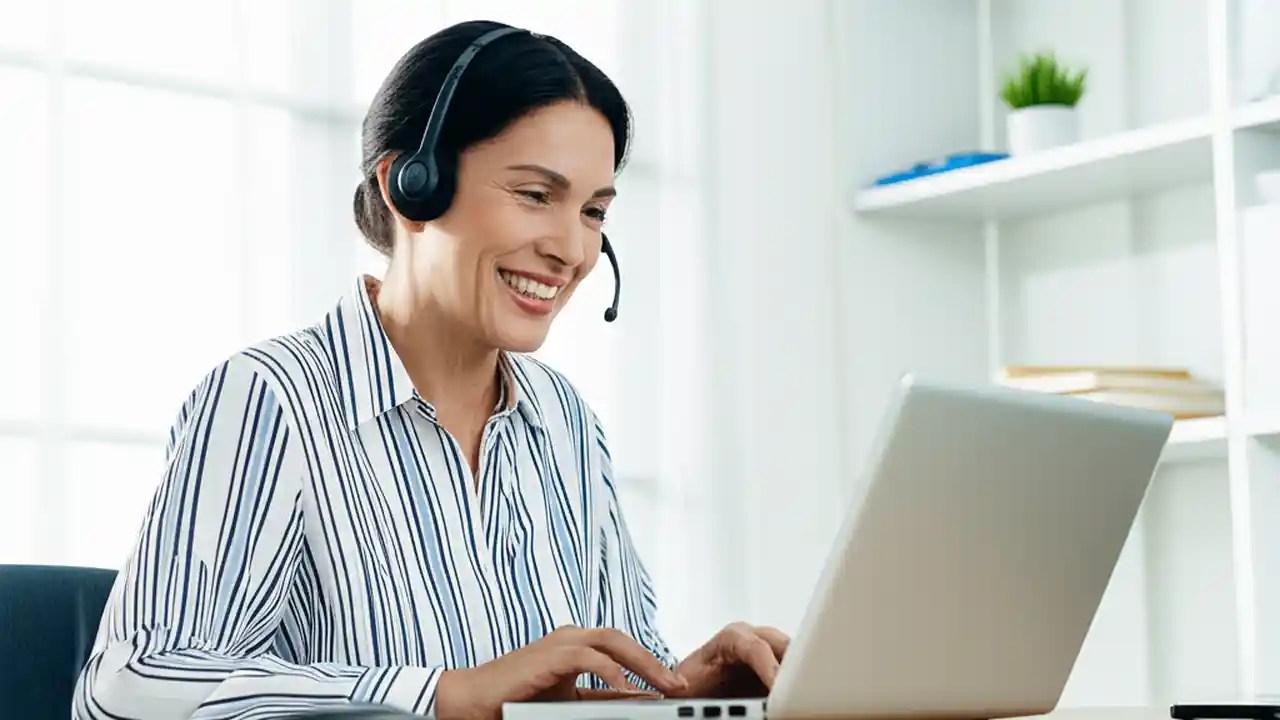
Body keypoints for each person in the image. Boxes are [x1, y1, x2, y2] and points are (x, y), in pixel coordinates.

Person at [72, 20, 788, 720]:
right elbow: (127, 690)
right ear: (410, 188)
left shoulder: (567, 424)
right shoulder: (273, 401)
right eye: (536, 196)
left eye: (594, 211)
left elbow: (595, 691)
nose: (572, 250)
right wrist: (443, 697)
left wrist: (686, 693)